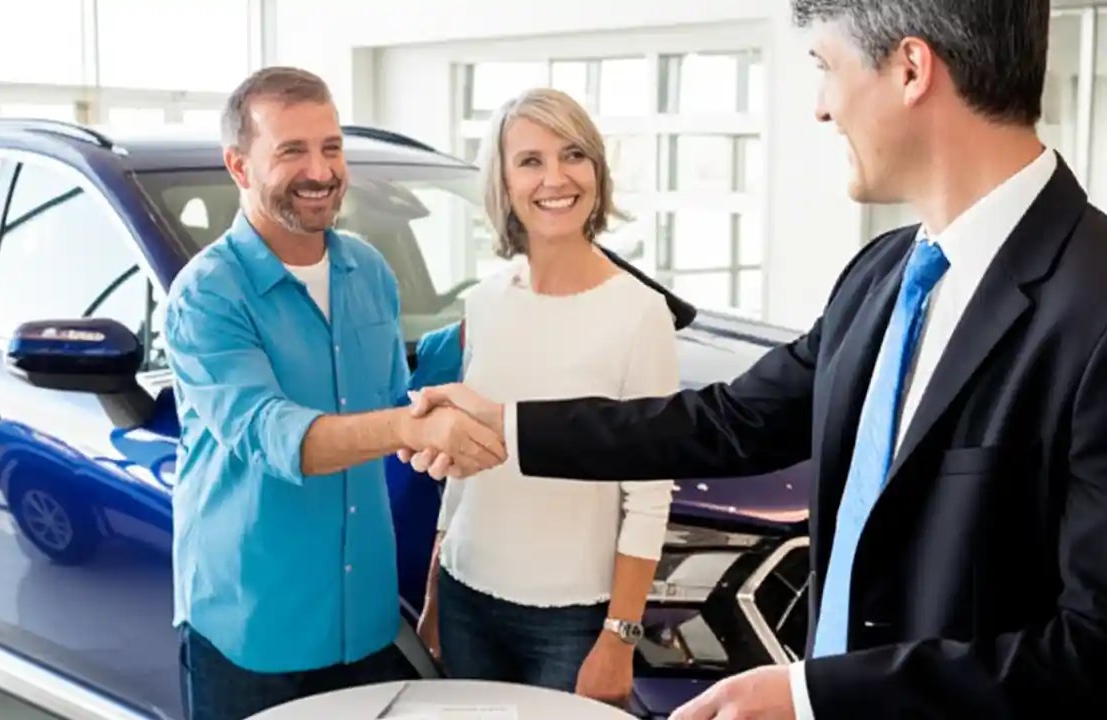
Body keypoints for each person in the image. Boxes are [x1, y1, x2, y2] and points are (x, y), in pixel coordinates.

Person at [403, 1, 1107, 718]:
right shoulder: (883, 274)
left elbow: (1092, 654)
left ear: (910, 69)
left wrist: (809, 694)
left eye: (826, 69)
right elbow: (727, 422)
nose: (821, 109)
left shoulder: (1093, 305)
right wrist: (507, 426)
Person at [163, 66, 505, 720]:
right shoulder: (208, 296)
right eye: (291, 151)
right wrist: (412, 429)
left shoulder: (367, 272)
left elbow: (389, 402)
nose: (320, 170)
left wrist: (485, 329)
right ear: (238, 166)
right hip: (256, 627)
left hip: (367, 620)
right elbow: (277, 436)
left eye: (331, 147)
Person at [412, 88, 676, 706]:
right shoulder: (485, 301)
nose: (556, 178)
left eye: (574, 154)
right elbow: (463, 469)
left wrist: (621, 636)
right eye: (530, 161)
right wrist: (434, 594)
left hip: (573, 622)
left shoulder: (640, 314)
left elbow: (648, 494)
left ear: (597, 172)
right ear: (502, 182)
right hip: (467, 597)